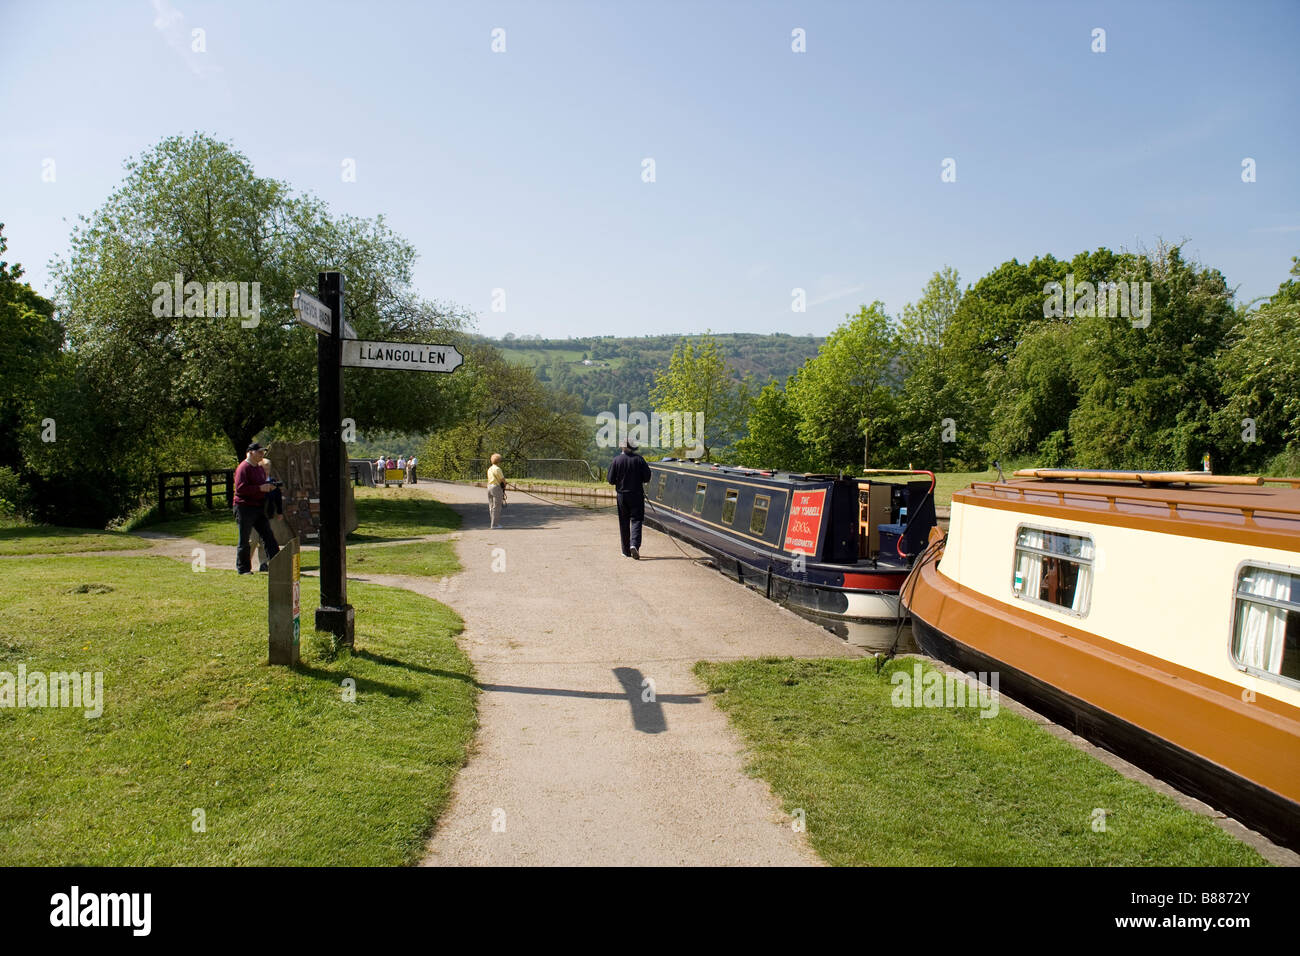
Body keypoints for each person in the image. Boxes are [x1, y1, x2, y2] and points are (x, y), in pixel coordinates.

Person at [234, 442, 281, 574]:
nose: (262, 454)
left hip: (258, 507)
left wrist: (269, 487)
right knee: (244, 539)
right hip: (244, 507)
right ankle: (243, 569)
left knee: (268, 536)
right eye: (259, 452)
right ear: (251, 452)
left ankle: (277, 565)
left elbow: (261, 484)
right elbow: (240, 489)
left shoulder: (259, 468)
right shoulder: (244, 467)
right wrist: (260, 488)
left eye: (263, 452)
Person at [607, 437, 651, 558]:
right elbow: (647, 477)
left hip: (622, 495)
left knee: (623, 522)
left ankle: (625, 551)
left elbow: (610, 480)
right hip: (636, 495)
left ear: (622, 446)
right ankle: (634, 545)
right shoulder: (639, 460)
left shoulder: (616, 460)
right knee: (636, 520)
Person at [486, 453, 507, 529]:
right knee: (497, 506)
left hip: (489, 487)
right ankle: (495, 525)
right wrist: (505, 484)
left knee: (491, 506)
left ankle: (493, 523)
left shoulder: (490, 469)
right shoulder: (498, 469)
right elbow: (502, 479)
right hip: (496, 487)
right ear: (499, 461)